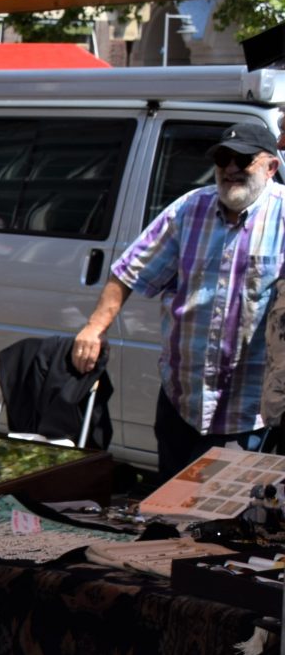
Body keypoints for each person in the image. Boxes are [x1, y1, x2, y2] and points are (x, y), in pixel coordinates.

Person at [72, 119, 285, 476]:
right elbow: (129, 271)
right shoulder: (190, 208)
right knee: (168, 502)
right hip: (181, 402)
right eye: (223, 159)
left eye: (243, 160)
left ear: (271, 167)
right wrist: (95, 328)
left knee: (217, 508)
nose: (231, 169)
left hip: (245, 411)